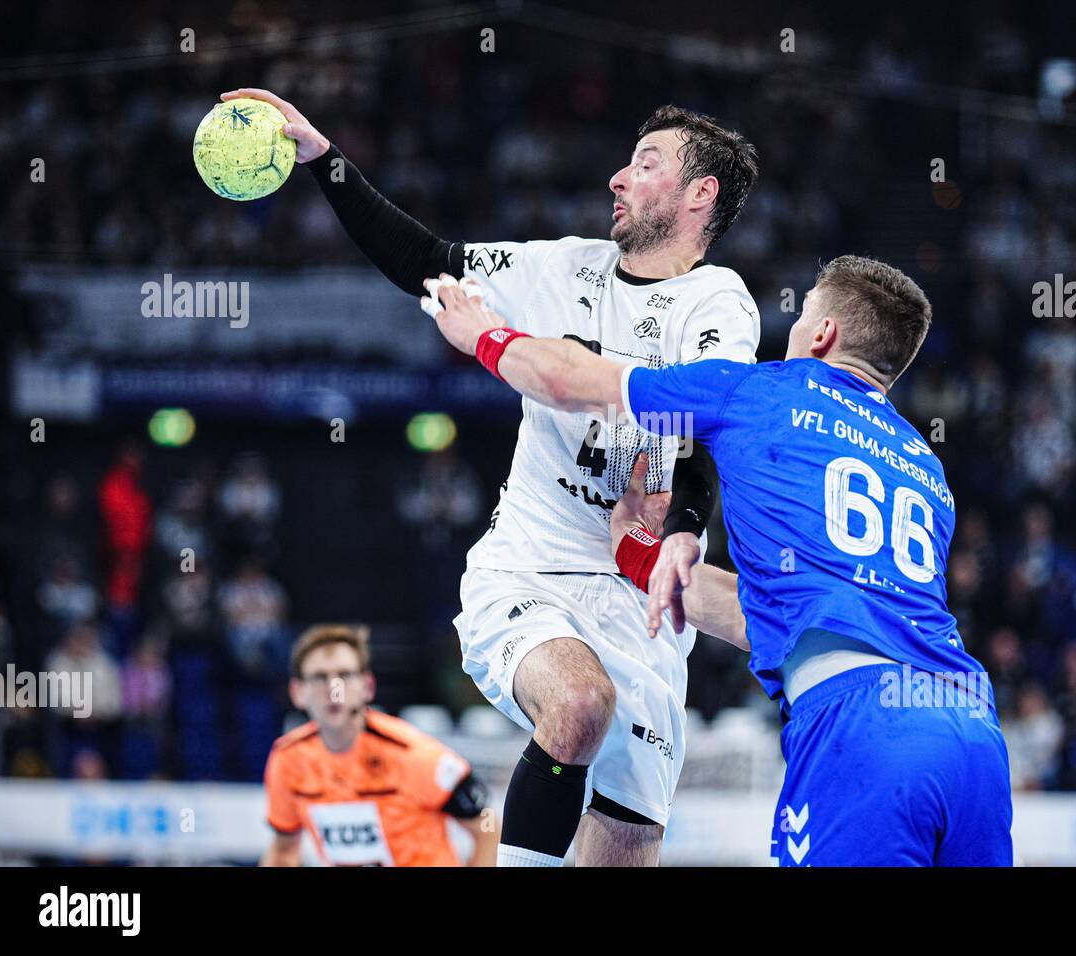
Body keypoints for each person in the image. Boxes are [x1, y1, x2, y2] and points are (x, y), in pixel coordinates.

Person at [222, 87, 762, 866]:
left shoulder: (717, 304)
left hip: (640, 602)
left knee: (628, 844)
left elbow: (710, 425)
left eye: (645, 165)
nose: (617, 178)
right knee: (579, 705)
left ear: (698, 195)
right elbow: (428, 264)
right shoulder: (562, 268)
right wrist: (322, 159)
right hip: (530, 567)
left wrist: (679, 533)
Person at [421, 256, 1014, 865]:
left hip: (861, 729)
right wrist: (640, 553)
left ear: (823, 333)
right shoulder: (925, 471)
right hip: (970, 729)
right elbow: (778, 614)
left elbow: (575, 379)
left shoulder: (759, 390)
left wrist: (483, 335)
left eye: (803, 309)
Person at [261, 625, 497, 867]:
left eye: (344, 675)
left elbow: (489, 827)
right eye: (320, 677)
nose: (334, 690)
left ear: (368, 686)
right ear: (297, 692)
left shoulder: (415, 755)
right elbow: (283, 850)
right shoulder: (288, 759)